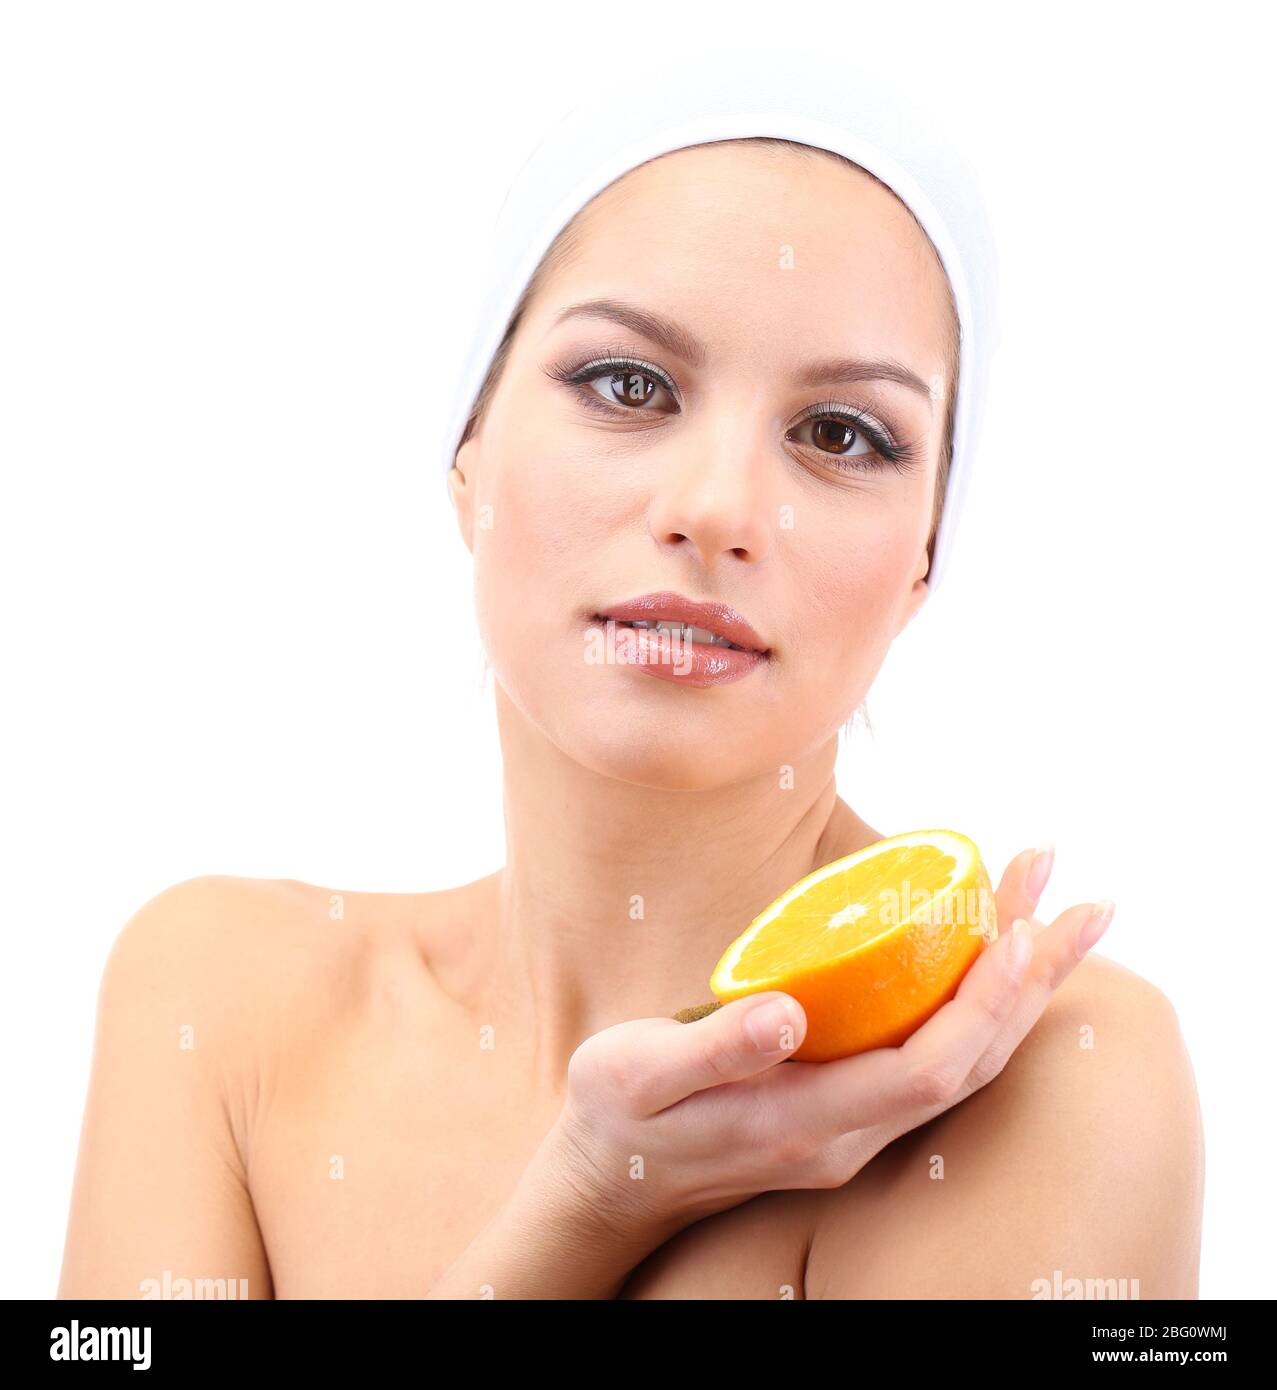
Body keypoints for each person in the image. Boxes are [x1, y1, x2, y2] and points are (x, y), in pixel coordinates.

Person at [57, 64, 1203, 1300]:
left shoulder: (1053, 1075)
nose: (713, 510)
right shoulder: (216, 996)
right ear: (467, 449)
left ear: (925, 556)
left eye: (838, 434)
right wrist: (590, 1202)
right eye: (626, 385)